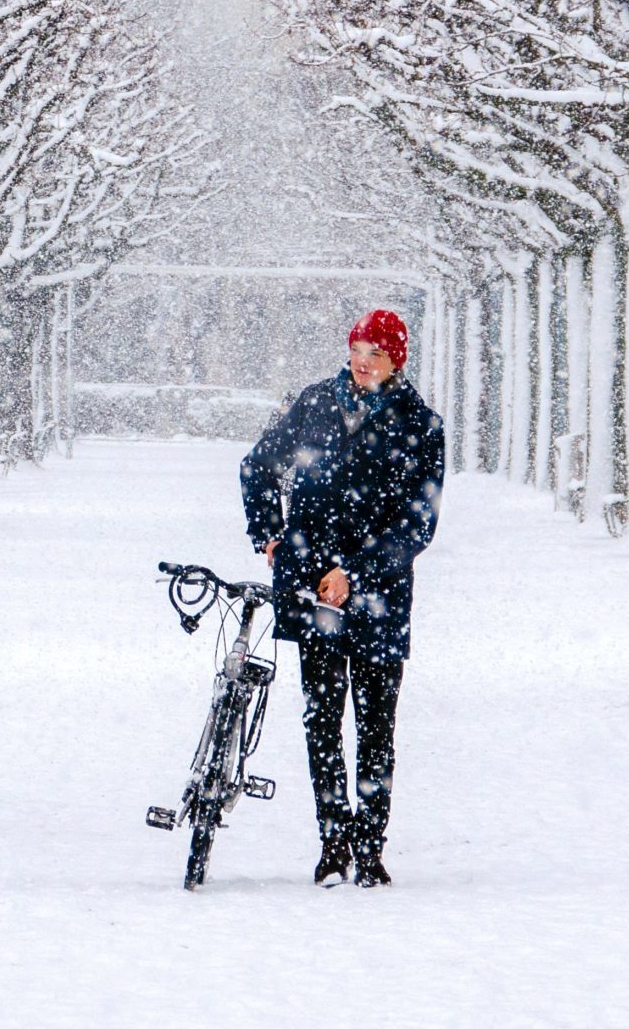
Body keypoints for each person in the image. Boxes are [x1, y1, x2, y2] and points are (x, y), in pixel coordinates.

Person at [240, 308, 445, 888]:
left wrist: (355, 572)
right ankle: (333, 841)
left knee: (376, 727)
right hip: (312, 593)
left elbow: (417, 524)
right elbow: (257, 467)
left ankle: (370, 846)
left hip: (379, 599)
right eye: (358, 347)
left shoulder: (421, 427)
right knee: (322, 721)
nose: (363, 360)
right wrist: (270, 535)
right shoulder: (312, 405)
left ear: (396, 360)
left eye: (376, 352)